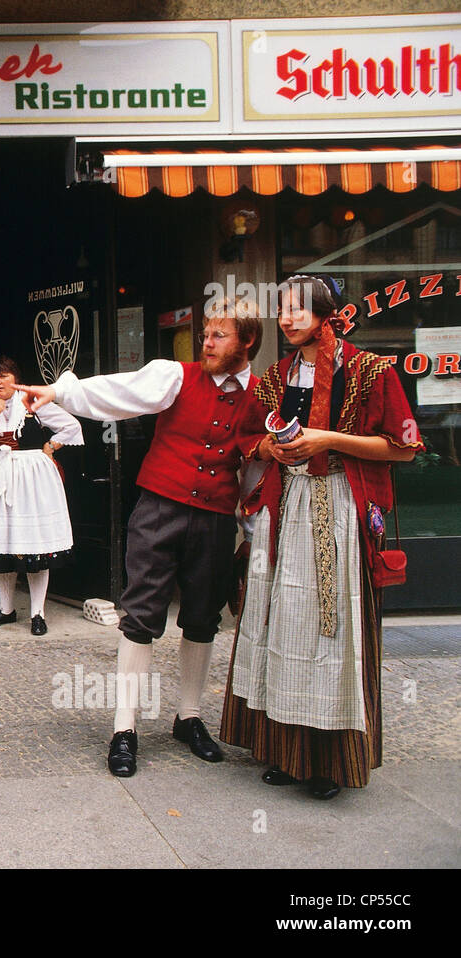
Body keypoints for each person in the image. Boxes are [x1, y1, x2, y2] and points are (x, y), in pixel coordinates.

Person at [21, 298, 267, 776]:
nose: (207, 342)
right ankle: (124, 727)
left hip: (216, 517)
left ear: (248, 341)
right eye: (206, 333)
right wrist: (61, 393)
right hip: (159, 508)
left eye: (219, 335)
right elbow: (119, 392)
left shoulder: (261, 396)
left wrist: (251, 532)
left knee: (201, 618)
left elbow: (257, 468)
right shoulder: (175, 376)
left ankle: (189, 716)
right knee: (141, 616)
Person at [219, 275, 422, 800]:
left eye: (297, 309)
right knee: (283, 623)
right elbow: (247, 437)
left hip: (336, 503)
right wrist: (271, 448)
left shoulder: (371, 369)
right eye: (282, 310)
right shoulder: (278, 373)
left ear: (327, 312)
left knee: (329, 628)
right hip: (283, 505)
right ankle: (286, 752)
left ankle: (329, 762)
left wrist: (328, 439)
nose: (286, 319)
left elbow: (402, 447)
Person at [0, 355, 83, 635]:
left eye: (4, 376)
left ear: (15, 378)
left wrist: (51, 445)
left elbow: (72, 426)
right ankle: (6, 609)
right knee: (3, 543)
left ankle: (37, 612)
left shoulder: (33, 401)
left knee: (35, 544)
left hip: (33, 478)